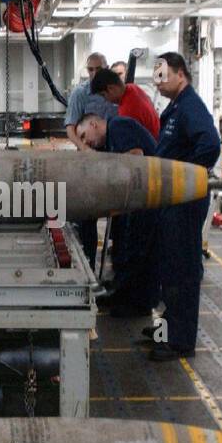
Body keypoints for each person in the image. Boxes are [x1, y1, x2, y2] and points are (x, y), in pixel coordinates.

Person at [145, 51, 220, 361]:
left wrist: (185, 178)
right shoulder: (176, 106)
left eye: (162, 75)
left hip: (184, 201)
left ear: (180, 74)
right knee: (169, 269)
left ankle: (180, 340)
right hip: (171, 200)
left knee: (182, 271)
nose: (158, 82)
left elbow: (210, 145)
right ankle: (166, 330)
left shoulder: (191, 107)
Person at [77, 112, 159, 317]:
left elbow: (136, 157)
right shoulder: (111, 137)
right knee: (125, 250)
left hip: (149, 197)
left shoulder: (119, 127)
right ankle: (122, 294)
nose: (85, 142)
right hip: (136, 200)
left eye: (84, 136)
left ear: (94, 124)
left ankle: (140, 304)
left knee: (139, 251)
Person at [64, 53, 117, 272]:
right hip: (89, 161)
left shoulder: (114, 93)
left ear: (107, 68)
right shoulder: (80, 94)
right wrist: (85, 149)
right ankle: (89, 267)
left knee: (119, 216)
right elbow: (70, 128)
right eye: (90, 70)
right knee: (88, 217)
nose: (94, 74)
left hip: (114, 158)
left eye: (98, 69)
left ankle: (118, 266)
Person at [89, 67, 160, 138]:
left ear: (111, 88)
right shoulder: (133, 87)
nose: (105, 99)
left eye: (103, 95)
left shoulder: (127, 111)